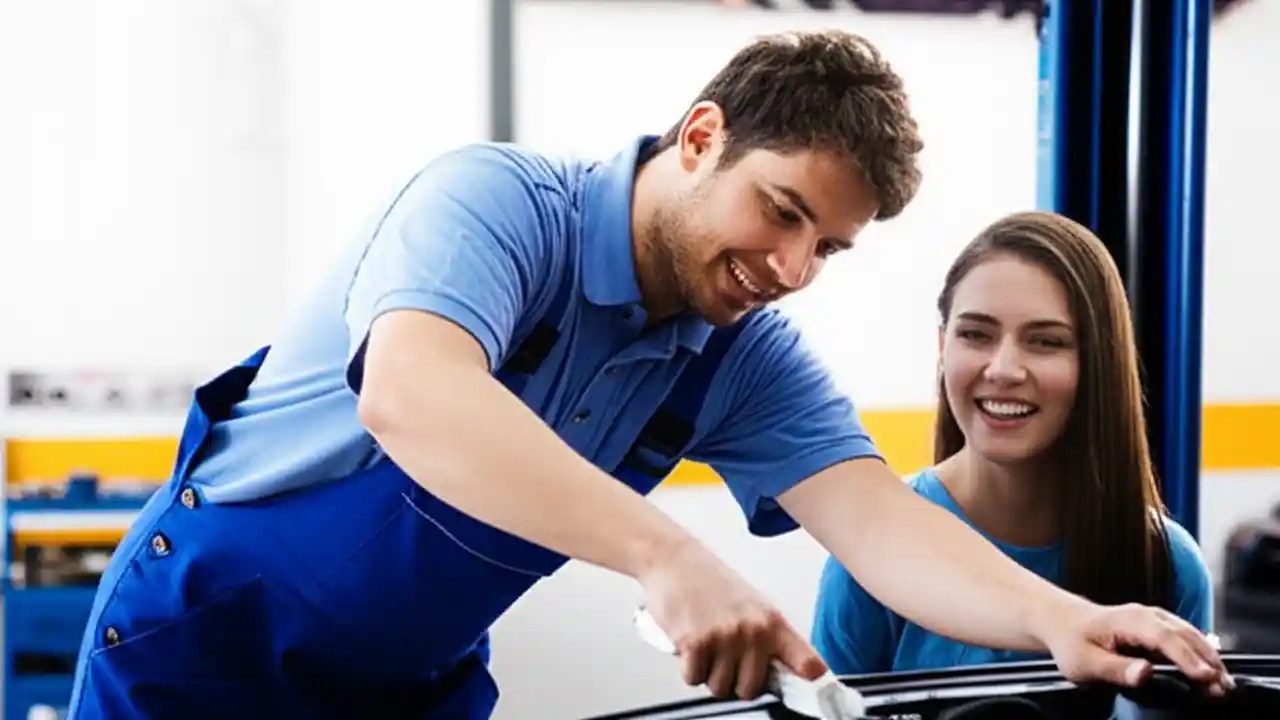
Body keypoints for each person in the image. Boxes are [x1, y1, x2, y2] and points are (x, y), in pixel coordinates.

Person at [68, 31, 1230, 719]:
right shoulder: (494, 207)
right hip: (205, 658)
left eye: (825, 249)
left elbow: (881, 524)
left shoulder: (741, 356)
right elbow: (413, 395)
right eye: (780, 213)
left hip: (400, 692)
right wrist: (667, 554)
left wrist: (1063, 621)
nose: (789, 269)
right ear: (698, 137)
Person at [811, 211, 1215, 675]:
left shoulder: (1167, 564)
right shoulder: (871, 558)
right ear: (943, 346)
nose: (1003, 369)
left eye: (1045, 342)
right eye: (975, 335)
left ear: (1098, 363)